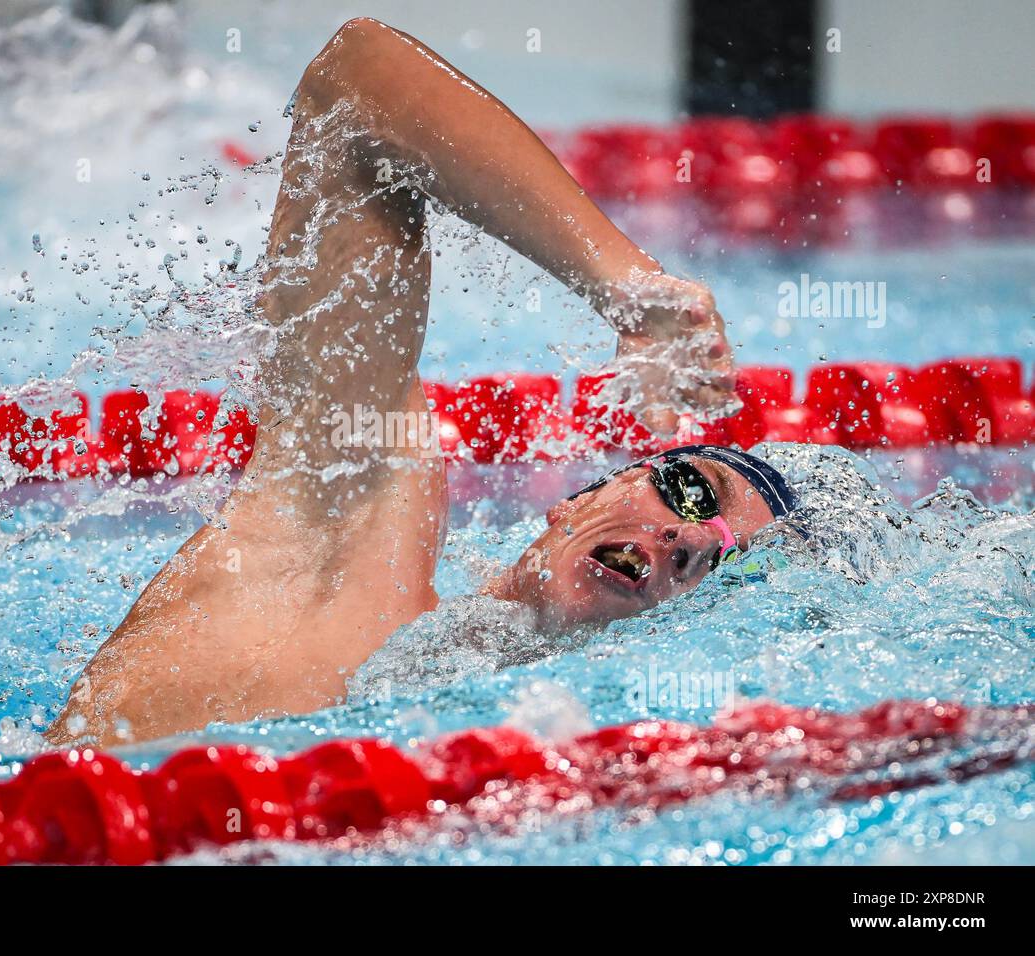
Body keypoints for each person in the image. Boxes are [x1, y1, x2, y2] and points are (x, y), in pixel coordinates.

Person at [47, 18, 794, 747]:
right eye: (693, 493)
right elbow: (359, 82)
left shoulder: (514, 764)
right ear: (576, 500)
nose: (691, 537)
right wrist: (622, 284)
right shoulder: (348, 544)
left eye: (726, 565)